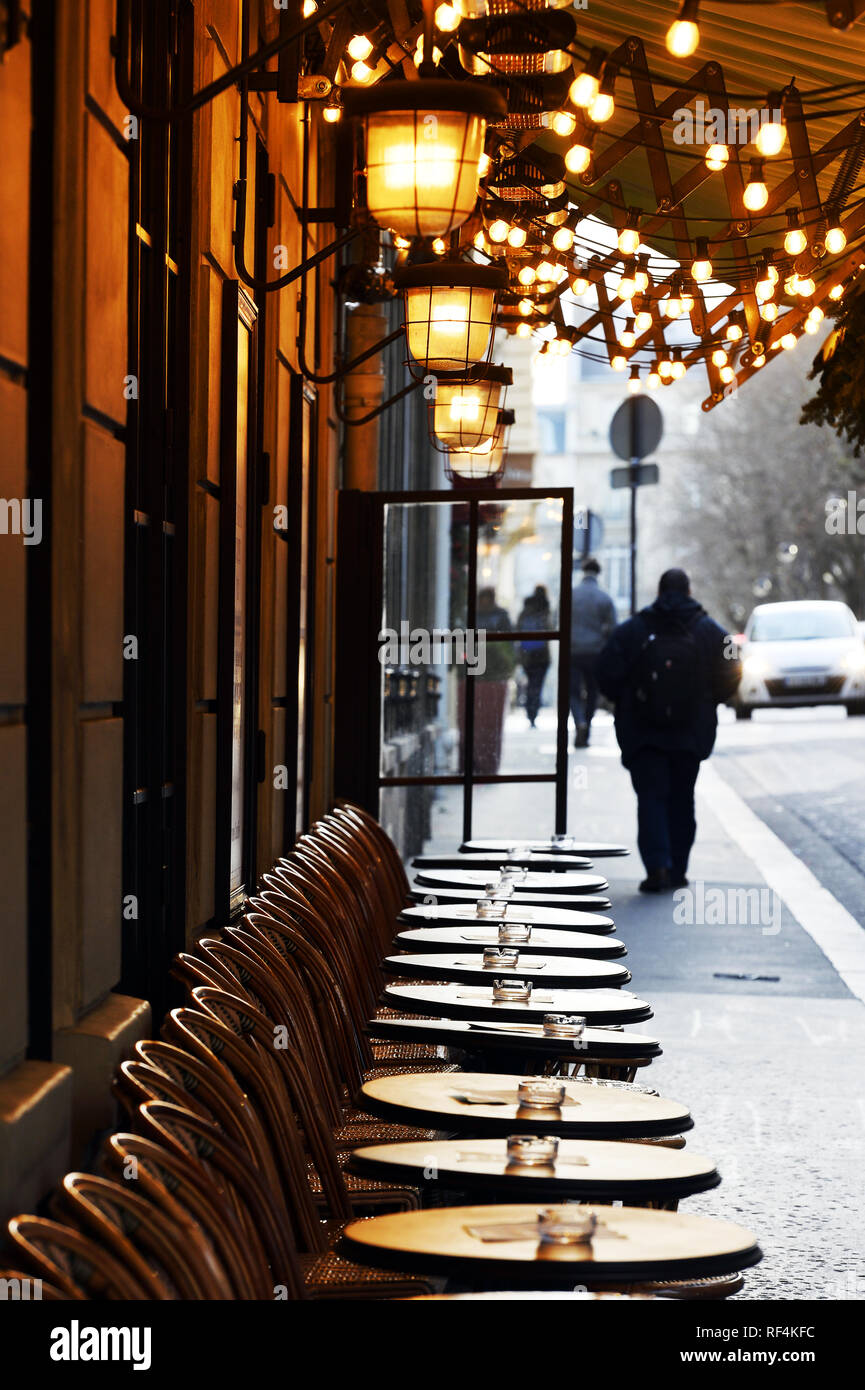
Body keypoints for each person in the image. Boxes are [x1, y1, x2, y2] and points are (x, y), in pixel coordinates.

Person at [597, 568, 742, 893]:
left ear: (660, 592)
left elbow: (606, 670)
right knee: (682, 799)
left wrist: (627, 700)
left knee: (650, 799)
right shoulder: (709, 630)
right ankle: (678, 869)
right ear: (689, 591)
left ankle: (657, 867)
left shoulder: (634, 629)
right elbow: (734, 663)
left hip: (644, 734)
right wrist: (710, 699)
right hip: (690, 733)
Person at [570, 558, 617, 747]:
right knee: (592, 692)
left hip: (572, 650)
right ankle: (586, 726)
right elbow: (613, 628)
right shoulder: (604, 597)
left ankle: (579, 721)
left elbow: (558, 620)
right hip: (595, 652)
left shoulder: (571, 594)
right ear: (598, 573)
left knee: (572, 691)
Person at [468, 587, 516, 775]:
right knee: (477, 721)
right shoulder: (477, 614)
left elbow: (509, 644)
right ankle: (476, 762)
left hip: (493, 674)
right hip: (478, 672)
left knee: (490, 722)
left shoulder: (500, 616)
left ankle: (488, 762)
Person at [517, 585, 552, 728]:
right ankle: (533, 712)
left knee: (531, 684)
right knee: (537, 685)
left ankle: (530, 711)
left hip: (527, 654)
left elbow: (518, 628)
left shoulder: (525, 611)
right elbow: (550, 629)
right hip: (542, 655)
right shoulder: (544, 610)